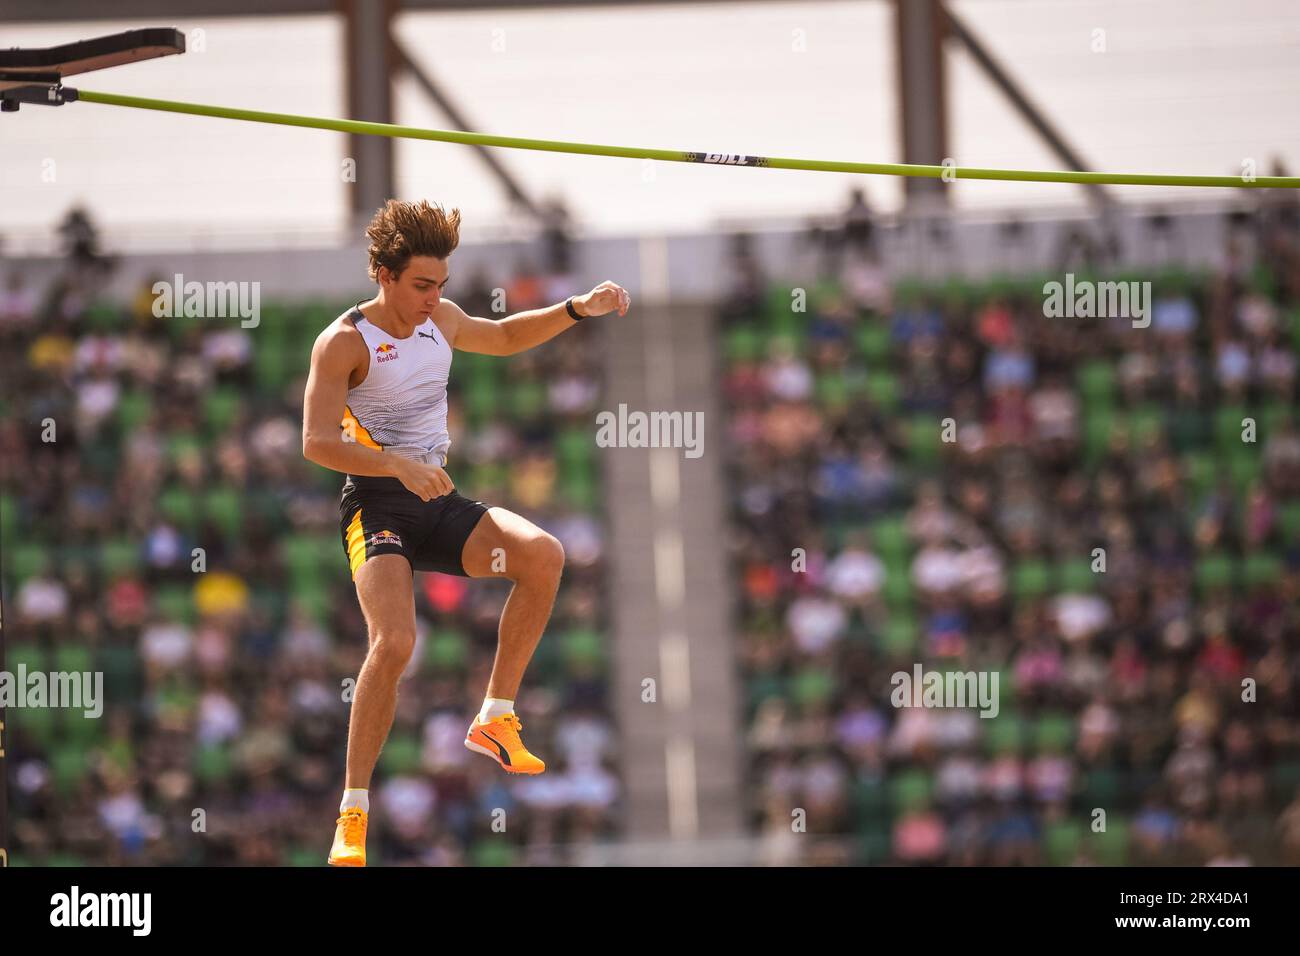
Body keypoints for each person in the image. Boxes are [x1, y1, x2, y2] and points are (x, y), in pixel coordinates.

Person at [301, 198, 630, 866]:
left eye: (441, 286)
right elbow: (314, 443)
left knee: (543, 556)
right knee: (394, 642)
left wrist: (575, 309)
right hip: (378, 505)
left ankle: (495, 715)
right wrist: (395, 464)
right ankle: (354, 812)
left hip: (437, 497)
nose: (434, 298)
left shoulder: (440, 320)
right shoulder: (343, 342)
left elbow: (505, 338)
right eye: (422, 285)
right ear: (384, 274)